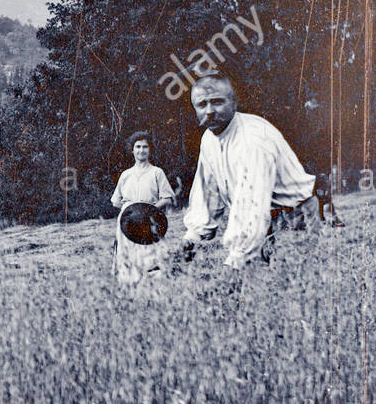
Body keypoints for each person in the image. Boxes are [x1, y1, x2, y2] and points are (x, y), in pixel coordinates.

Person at [181, 71, 318, 269]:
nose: (209, 111)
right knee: (257, 285)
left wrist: (235, 260)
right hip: (265, 219)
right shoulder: (209, 138)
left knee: (290, 285)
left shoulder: (253, 139)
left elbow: (252, 203)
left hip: (294, 218)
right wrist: (193, 236)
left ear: (234, 102)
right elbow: (208, 191)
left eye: (217, 102)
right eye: (202, 104)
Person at [110, 130, 175, 281]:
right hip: (128, 222)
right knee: (127, 256)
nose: (141, 150)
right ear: (132, 149)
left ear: (150, 150)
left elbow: (167, 198)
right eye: (138, 147)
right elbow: (115, 201)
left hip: (150, 219)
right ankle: (128, 282)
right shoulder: (126, 175)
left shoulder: (156, 173)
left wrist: (148, 211)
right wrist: (130, 211)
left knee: (150, 256)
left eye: (145, 147)